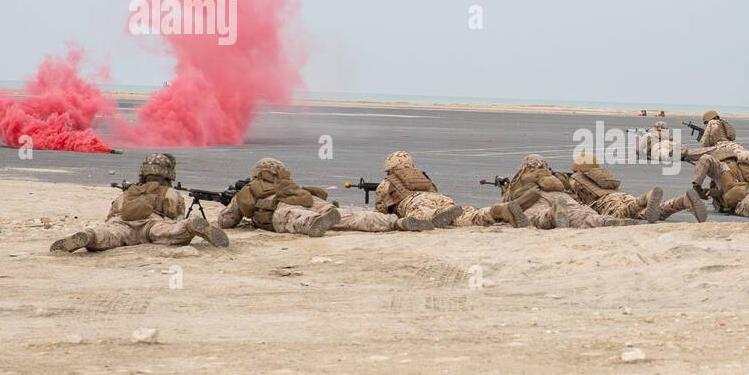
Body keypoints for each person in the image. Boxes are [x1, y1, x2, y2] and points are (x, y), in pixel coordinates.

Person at [51, 153, 230, 253]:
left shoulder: (129, 192)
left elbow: (112, 215)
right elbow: (175, 216)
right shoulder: (170, 193)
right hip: (152, 223)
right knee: (172, 233)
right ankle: (191, 226)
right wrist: (182, 223)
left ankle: (88, 236)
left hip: (123, 223)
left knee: (107, 235)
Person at [217, 158, 432, 235]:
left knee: (296, 217)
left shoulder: (250, 189)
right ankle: (397, 223)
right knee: (349, 216)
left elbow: (227, 220)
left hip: (278, 207)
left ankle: (314, 223)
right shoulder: (289, 183)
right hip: (312, 200)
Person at [376, 151, 528, 228]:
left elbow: (382, 212)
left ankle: (438, 214)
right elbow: (433, 192)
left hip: (416, 202)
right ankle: (496, 211)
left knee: (423, 217)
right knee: (467, 215)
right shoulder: (422, 177)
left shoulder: (387, 182)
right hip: (441, 198)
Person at [502, 154, 639, 229]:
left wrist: (505, 189)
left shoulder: (520, 178)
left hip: (537, 200)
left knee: (537, 217)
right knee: (580, 213)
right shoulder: (554, 177)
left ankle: (553, 213)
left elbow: (508, 202)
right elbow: (572, 193)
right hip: (563, 197)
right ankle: (604, 221)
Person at [562, 152, 706, 222]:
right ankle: (682, 201)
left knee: (621, 215)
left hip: (605, 201)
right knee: (646, 213)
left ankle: (646, 197)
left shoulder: (576, 180)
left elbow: (571, 198)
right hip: (622, 195)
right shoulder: (601, 175)